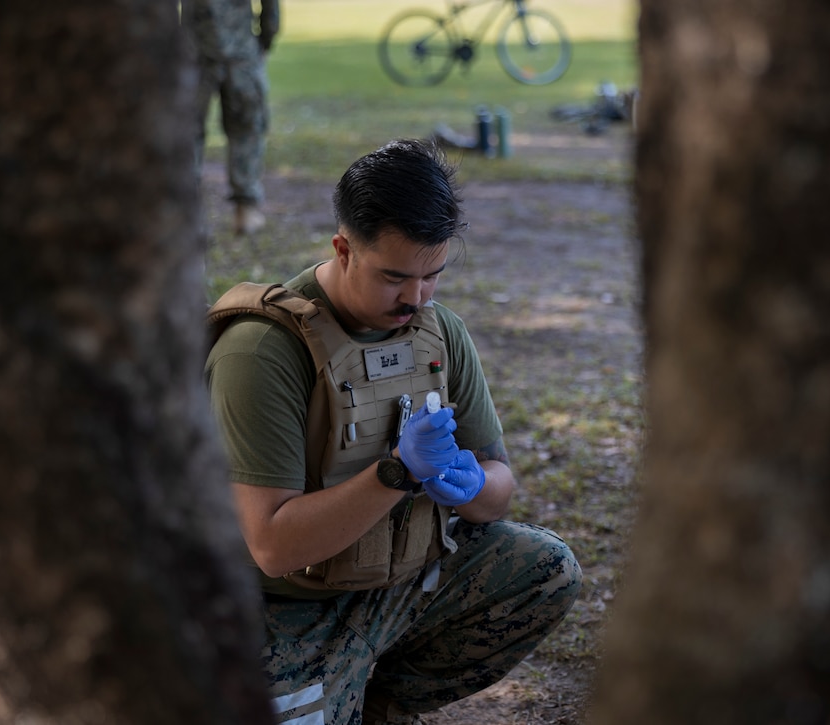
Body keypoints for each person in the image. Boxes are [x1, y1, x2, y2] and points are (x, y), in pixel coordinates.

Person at [205, 139, 582, 724]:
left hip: (405, 580)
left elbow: (500, 486)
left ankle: (374, 703)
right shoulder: (264, 351)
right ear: (343, 249)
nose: (416, 297)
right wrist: (398, 474)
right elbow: (272, 546)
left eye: (433, 275)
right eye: (394, 277)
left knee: (545, 568)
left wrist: (470, 485)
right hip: (287, 607)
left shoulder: (439, 332)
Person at [186, 0, 280, 235]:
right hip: (240, 54)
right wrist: (265, 39)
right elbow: (271, 9)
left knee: (187, 133)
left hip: (194, 54)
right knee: (246, 132)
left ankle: (187, 210)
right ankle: (245, 210)